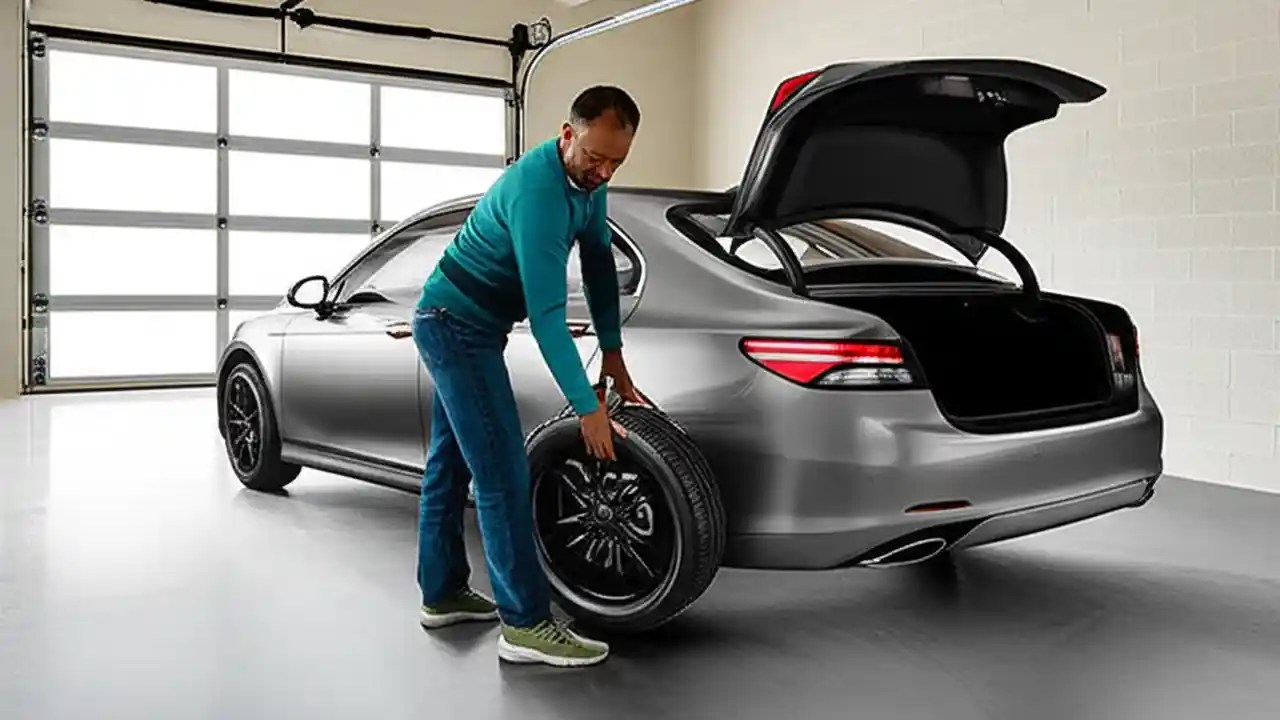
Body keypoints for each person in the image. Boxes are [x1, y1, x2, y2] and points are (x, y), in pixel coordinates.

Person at [408, 85, 646, 668]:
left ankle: (441, 594)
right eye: (594, 157)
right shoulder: (539, 193)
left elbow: (595, 262)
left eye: (617, 160)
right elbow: (545, 317)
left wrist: (613, 352)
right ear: (567, 134)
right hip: (454, 327)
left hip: (469, 328)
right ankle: (526, 624)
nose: (604, 170)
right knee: (501, 472)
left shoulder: (587, 181)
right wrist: (587, 407)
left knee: (451, 462)